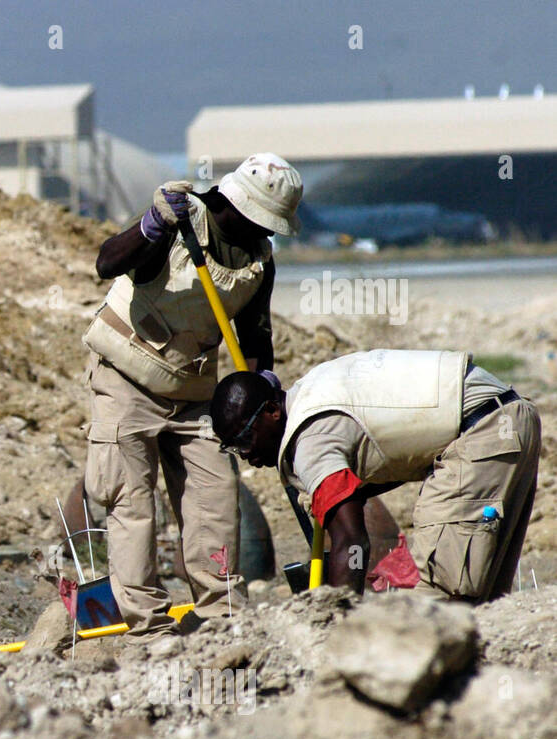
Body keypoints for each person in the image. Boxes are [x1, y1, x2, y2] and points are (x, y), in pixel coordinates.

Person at [83, 153, 303, 635]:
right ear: (236, 206)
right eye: (260, 222)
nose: (265, 234)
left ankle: (222, 618)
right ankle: (147, 626)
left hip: (197, 392)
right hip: (125, 380)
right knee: (131, 502)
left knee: (215, 498)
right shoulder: (180, 220)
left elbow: (255, 337)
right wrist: (151, 225)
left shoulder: (259, 260)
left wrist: (262, 395)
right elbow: (107, 262)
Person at [209, 349, 541, 601]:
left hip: (481, 432)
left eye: (245, 439)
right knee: (480, 600)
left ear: (271, 411)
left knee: (437, 598)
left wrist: (336, 617)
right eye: (234, 448)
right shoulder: (311, 391)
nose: (246, 455)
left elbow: (352, 540)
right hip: (509, 417)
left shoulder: (309, 442)